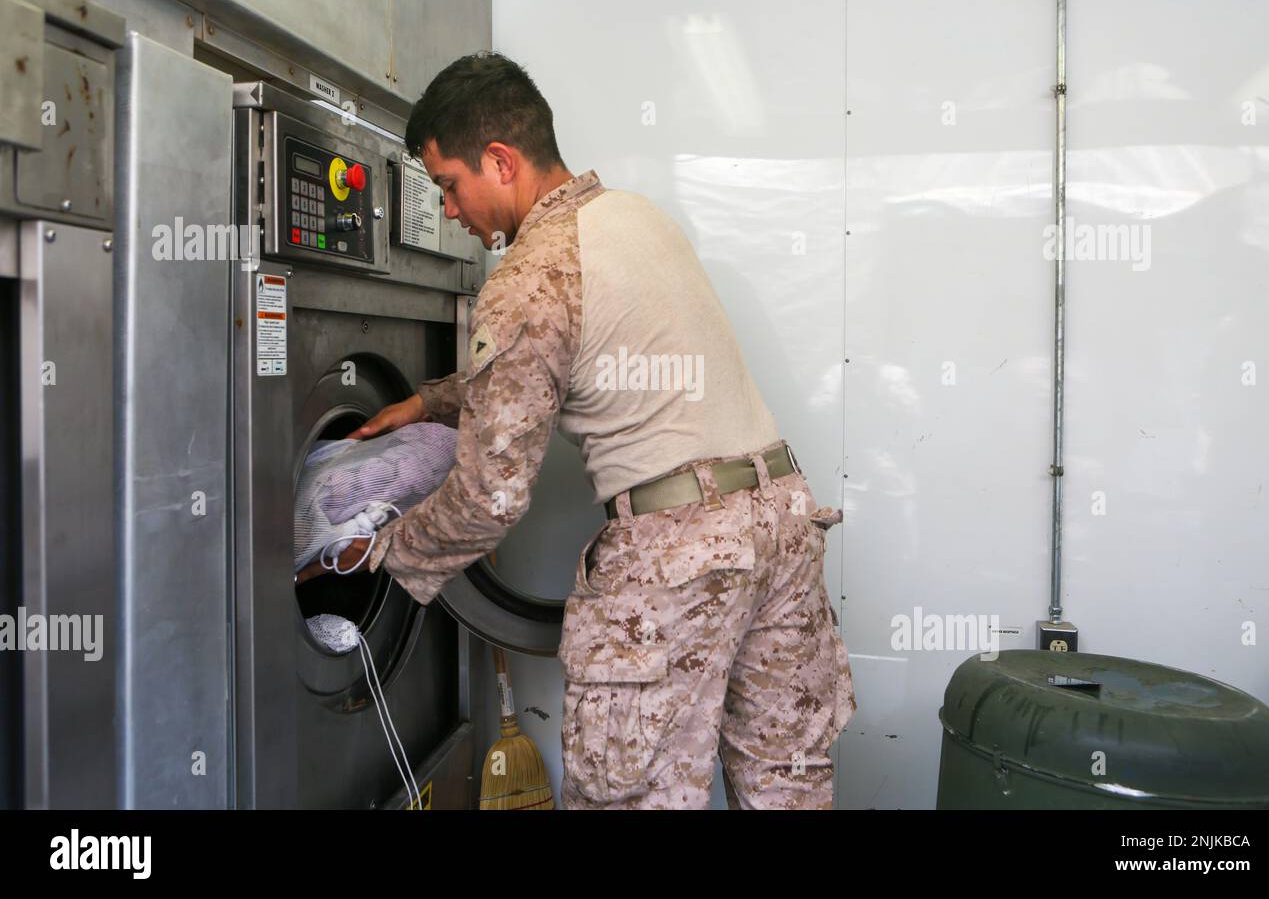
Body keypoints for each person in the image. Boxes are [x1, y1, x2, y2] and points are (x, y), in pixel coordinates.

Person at [299, 51, 856, 808]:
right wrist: (431, 402)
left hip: (679, 555)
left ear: (499, 160)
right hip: (782, 522)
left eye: (449, 186)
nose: (452, 212)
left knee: (633, 796)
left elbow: (490, 500)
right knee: (785, 783)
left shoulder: (528, 277)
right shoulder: (634, 217)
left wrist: (377, 550)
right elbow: (586, 361)